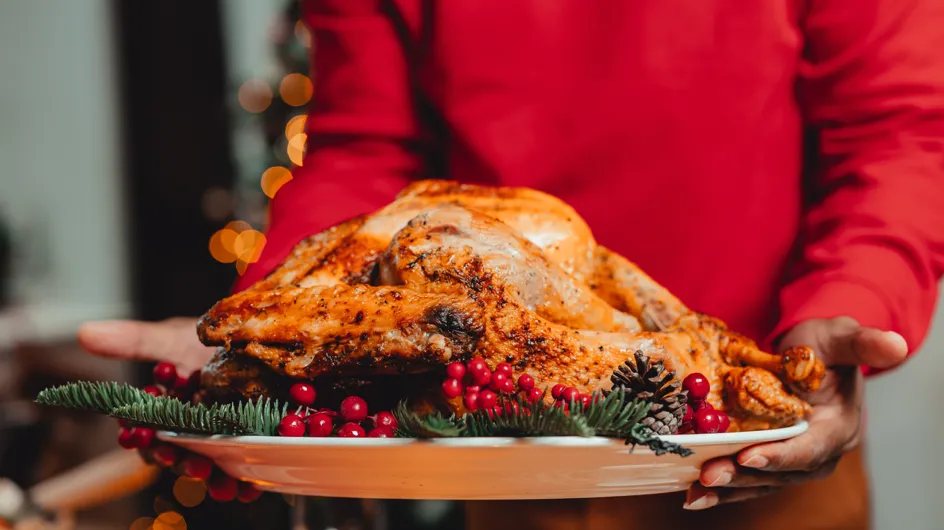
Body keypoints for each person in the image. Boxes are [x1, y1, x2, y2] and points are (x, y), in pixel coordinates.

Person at [79, 0, 944, 528]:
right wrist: (278, 323)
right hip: (511, 437)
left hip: (743, 425)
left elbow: (898, 127)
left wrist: (854, 297)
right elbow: (367, 148)